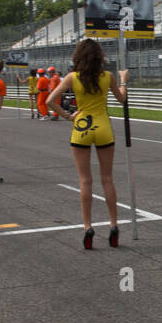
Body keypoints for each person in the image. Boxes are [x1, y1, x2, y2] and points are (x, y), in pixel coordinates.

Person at [49, 38, 129, 249]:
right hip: (103, 127)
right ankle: (113, 225)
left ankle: (88, 227)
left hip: (82, 127)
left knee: (85, 181)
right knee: (107, 179)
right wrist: (123, 80)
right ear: (99, 57)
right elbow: (122, 100)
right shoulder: (107, 77)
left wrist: (68, 116)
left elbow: (50, 101)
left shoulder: (72, 78)